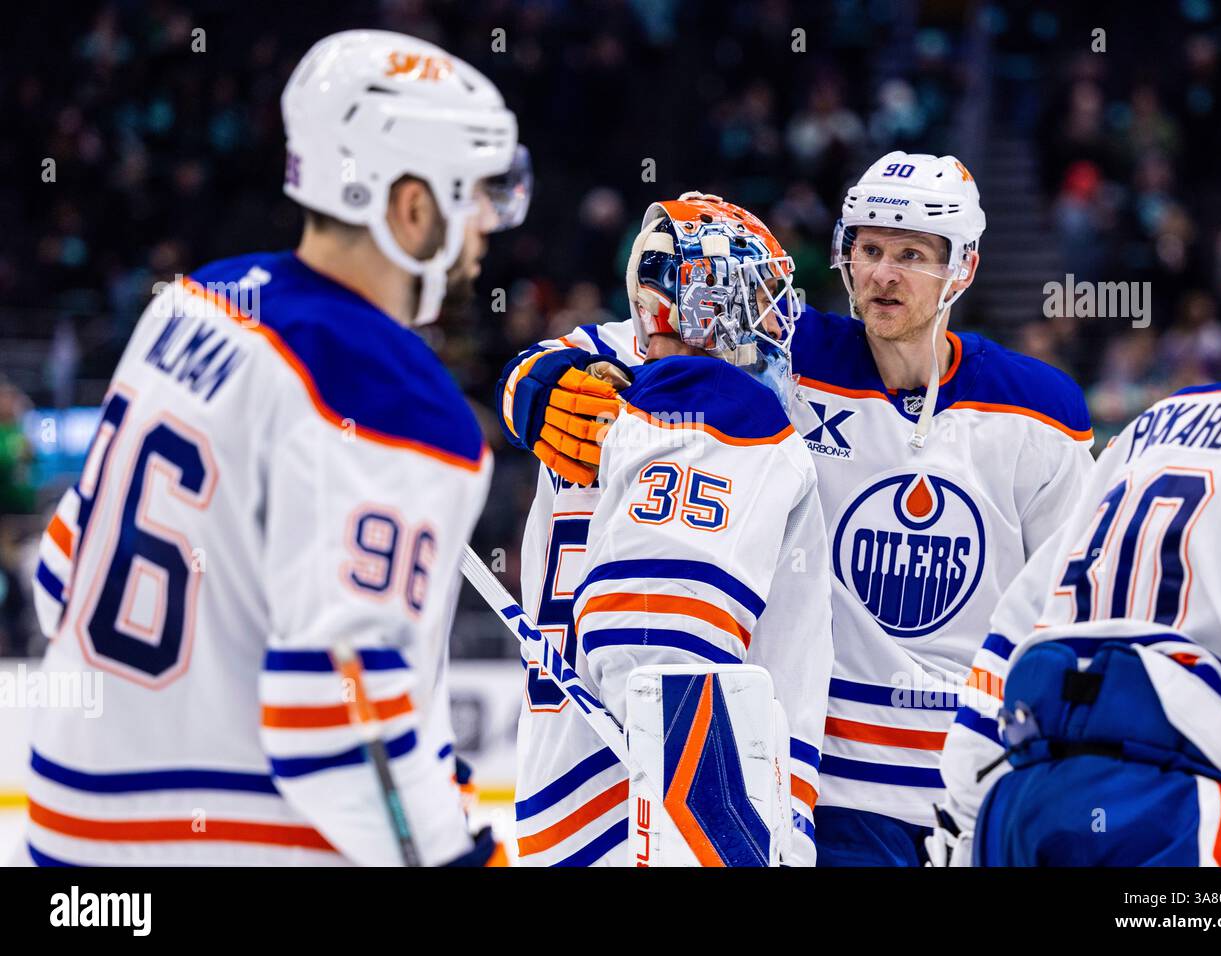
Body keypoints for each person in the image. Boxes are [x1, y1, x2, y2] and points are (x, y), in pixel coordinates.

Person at [498, 153, 1095, 865]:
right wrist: (534, 385)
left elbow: (1070, 602)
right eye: (868, 250)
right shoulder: (770, 351)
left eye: (911, 255)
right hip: (834, 788)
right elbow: (622, 337)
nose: (883, 274)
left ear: (961, 268)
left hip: (972, 785)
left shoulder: (1040, 410)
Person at [22, 29, 530, 866]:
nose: (486, 228)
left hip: (68, 836)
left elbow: (58, 579)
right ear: (410, 207)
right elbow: (338, 726)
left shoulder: (192, 301)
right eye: (476, 195)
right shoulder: (387, 393)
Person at [936, 237, 1221, 866]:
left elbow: (1014, 632)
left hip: (1032, 802)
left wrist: (962, 824)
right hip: (1189, 816)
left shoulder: (1148, 426)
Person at [498, 194, 833, 865]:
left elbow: (541, 371)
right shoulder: (721, 408)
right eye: (762, 293)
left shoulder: (605, 387)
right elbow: (657, 641)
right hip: (666, 809)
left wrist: (526, 385)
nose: (779, 319)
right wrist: (719, 829)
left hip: (563, 786)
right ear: (710, 301)